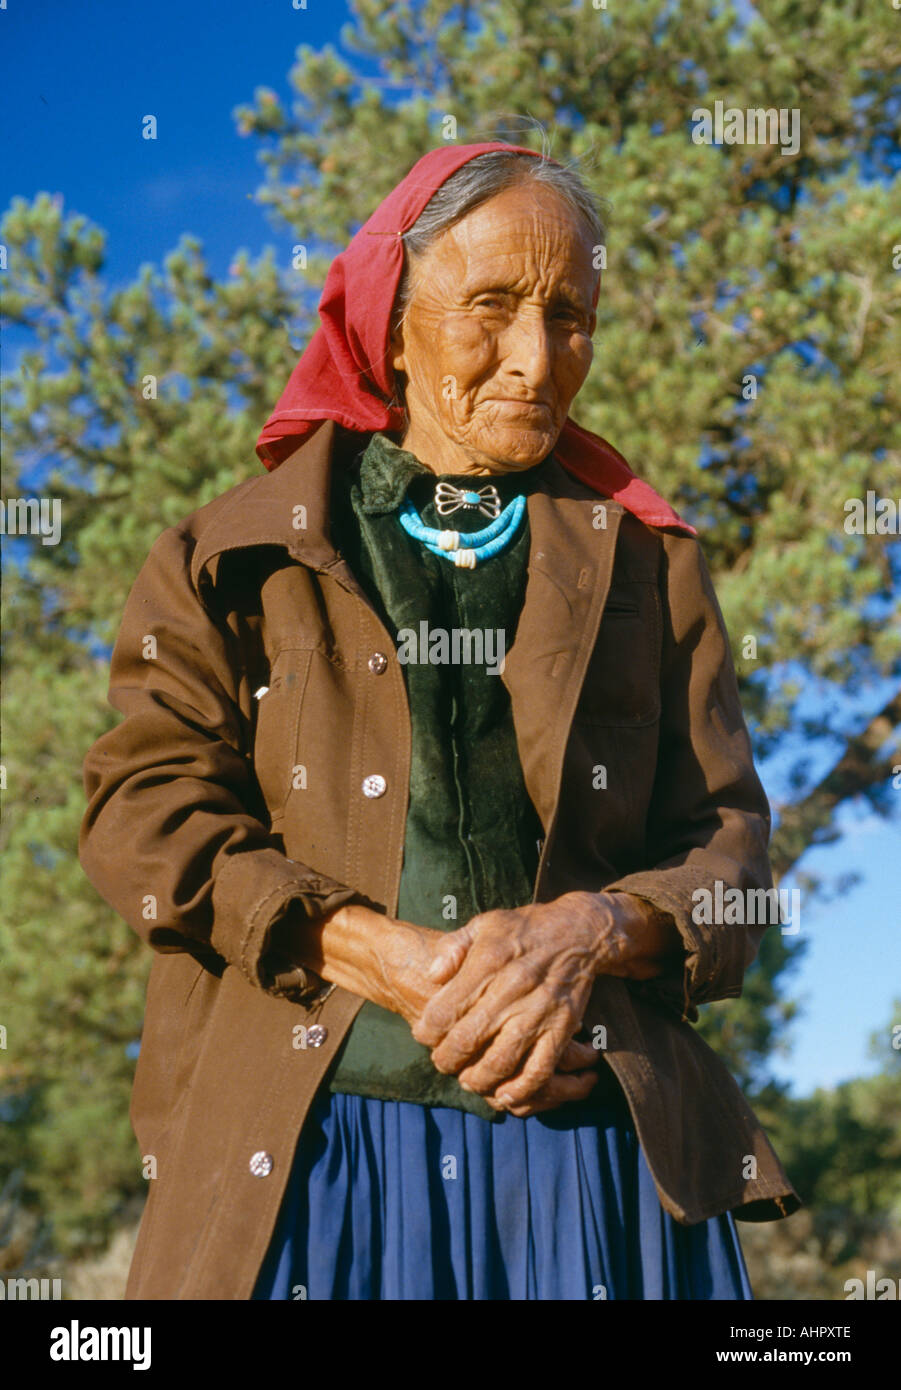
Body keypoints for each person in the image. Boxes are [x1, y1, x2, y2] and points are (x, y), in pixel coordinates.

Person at [79, 139, 799, 1301]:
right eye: (492, 307)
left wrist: (588, 932)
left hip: (590, 1161)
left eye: (569, 316)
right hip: (309, 1157)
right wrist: (381, 952)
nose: (535, 357)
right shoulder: (235, 554)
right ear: (392, 317)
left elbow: (731, 856)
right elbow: (143, 812)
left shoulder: (647, 565)